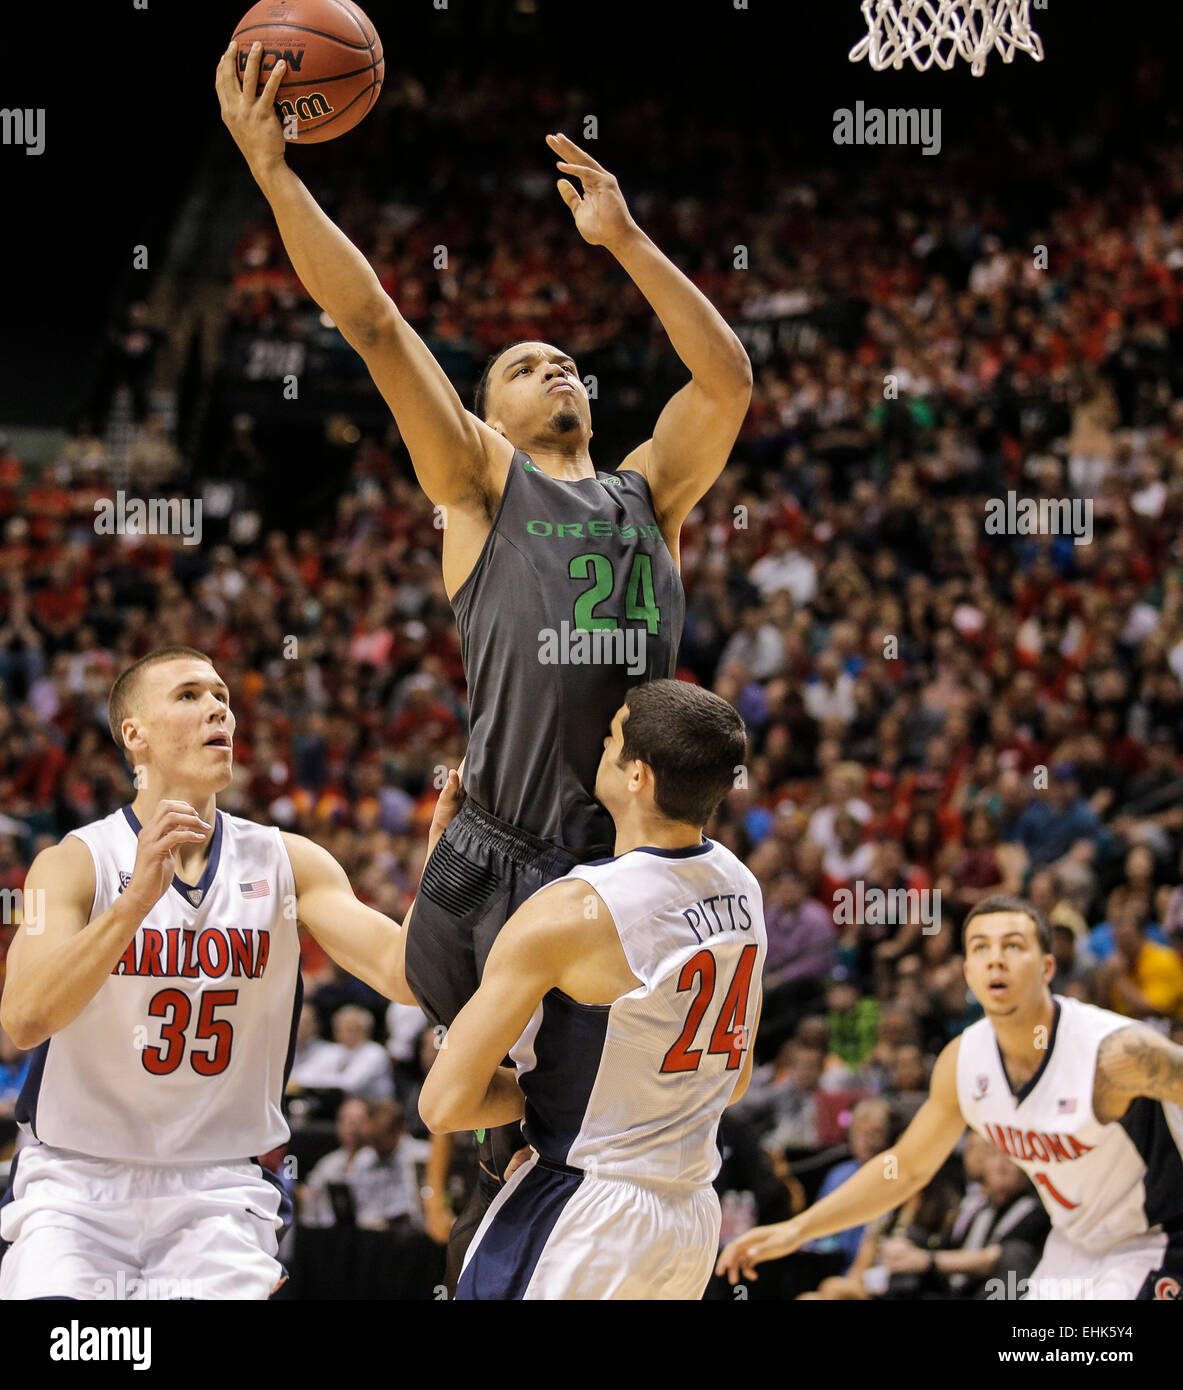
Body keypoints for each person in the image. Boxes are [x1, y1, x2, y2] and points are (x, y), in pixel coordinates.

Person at [217, 44, 753, 1274]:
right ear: (488, 409)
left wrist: (624, 242)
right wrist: (273, 173)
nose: (555, 366)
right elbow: (371, 320)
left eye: (567, 363)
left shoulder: (649, 495)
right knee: (432, 1020)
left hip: (613, 856)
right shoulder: (477, 482)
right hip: (498, 844)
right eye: (523, 365)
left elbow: (725, 379)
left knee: (568, 1125)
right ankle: (309, 895)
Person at [0, 646, 457, 1300]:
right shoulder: (75, 863)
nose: (218, 706)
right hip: (77, 1186)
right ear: (136, 736)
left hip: (216, 1188)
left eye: (222, 695)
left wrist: (440, 866)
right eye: (188, 695)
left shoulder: (287, 861)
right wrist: (133, 905)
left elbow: (406, 974)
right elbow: (23, 1019)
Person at [419, 682, 766, 1299]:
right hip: (689, 1221)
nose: (600, 746)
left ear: (639, 776)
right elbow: (733, 1078)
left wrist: (575, 1111)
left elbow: (444, 1105)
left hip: (587, 1215)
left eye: (612, 738)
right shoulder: (741, 888)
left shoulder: (574, 912)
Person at [718, 893, 1183, 1300]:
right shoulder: (965, 1062)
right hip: (1075, 1250)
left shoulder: (1116, 1054)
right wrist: (798, 1229)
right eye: (981, 948)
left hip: (1157, 1241)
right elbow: (905, 1169)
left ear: (1048, 967)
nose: (995, 959)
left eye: (1013, 946)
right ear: (967, 971)